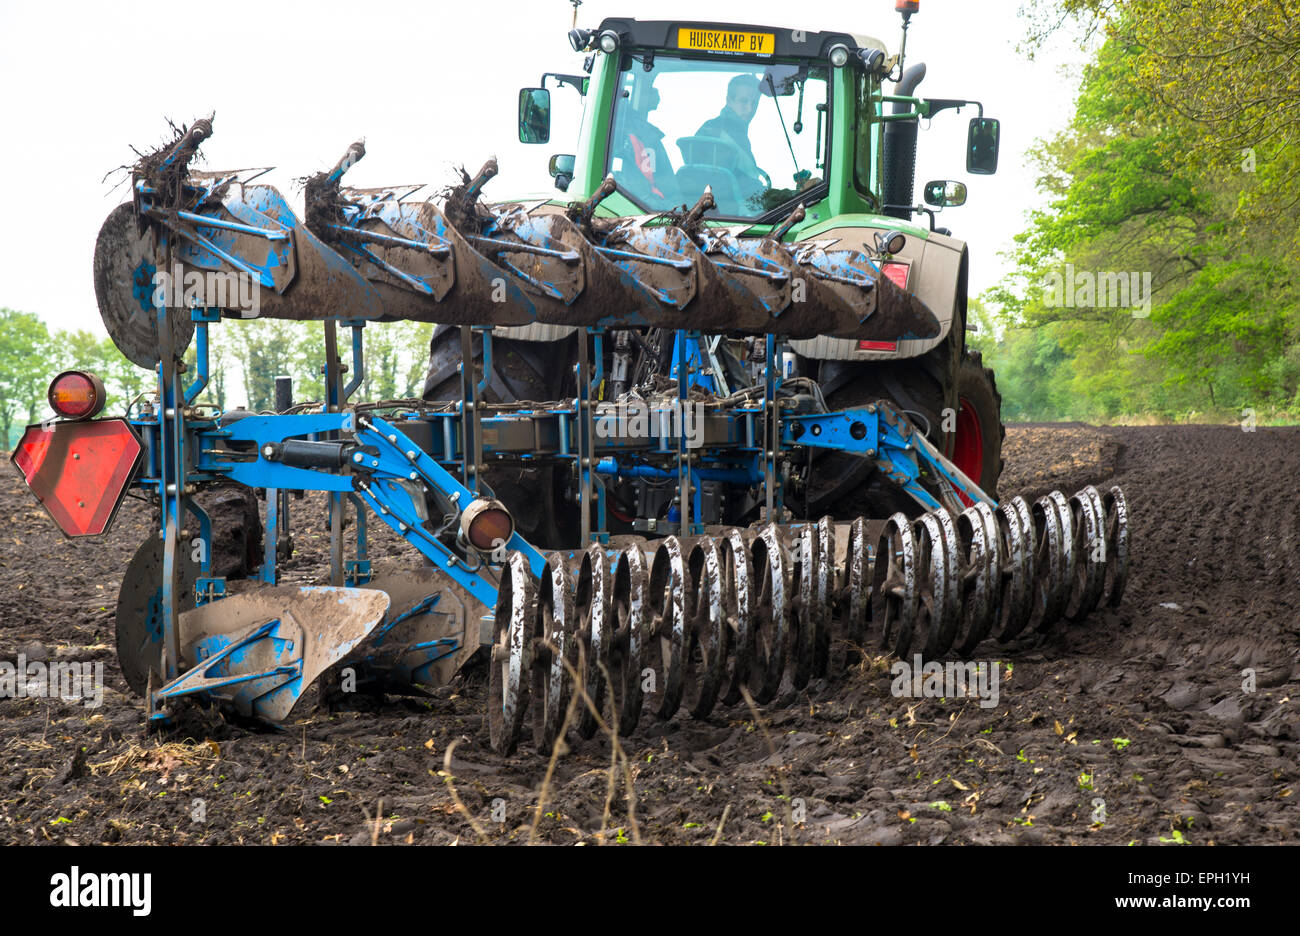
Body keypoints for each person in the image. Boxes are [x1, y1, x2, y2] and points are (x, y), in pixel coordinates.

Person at [693, 74, 766, 201]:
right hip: (723, 211)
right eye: (743, 101)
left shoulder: (735, 131)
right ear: (729, 100)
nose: (750, 109)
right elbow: (728, 183)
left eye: (754, 103)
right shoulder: (715, 133)